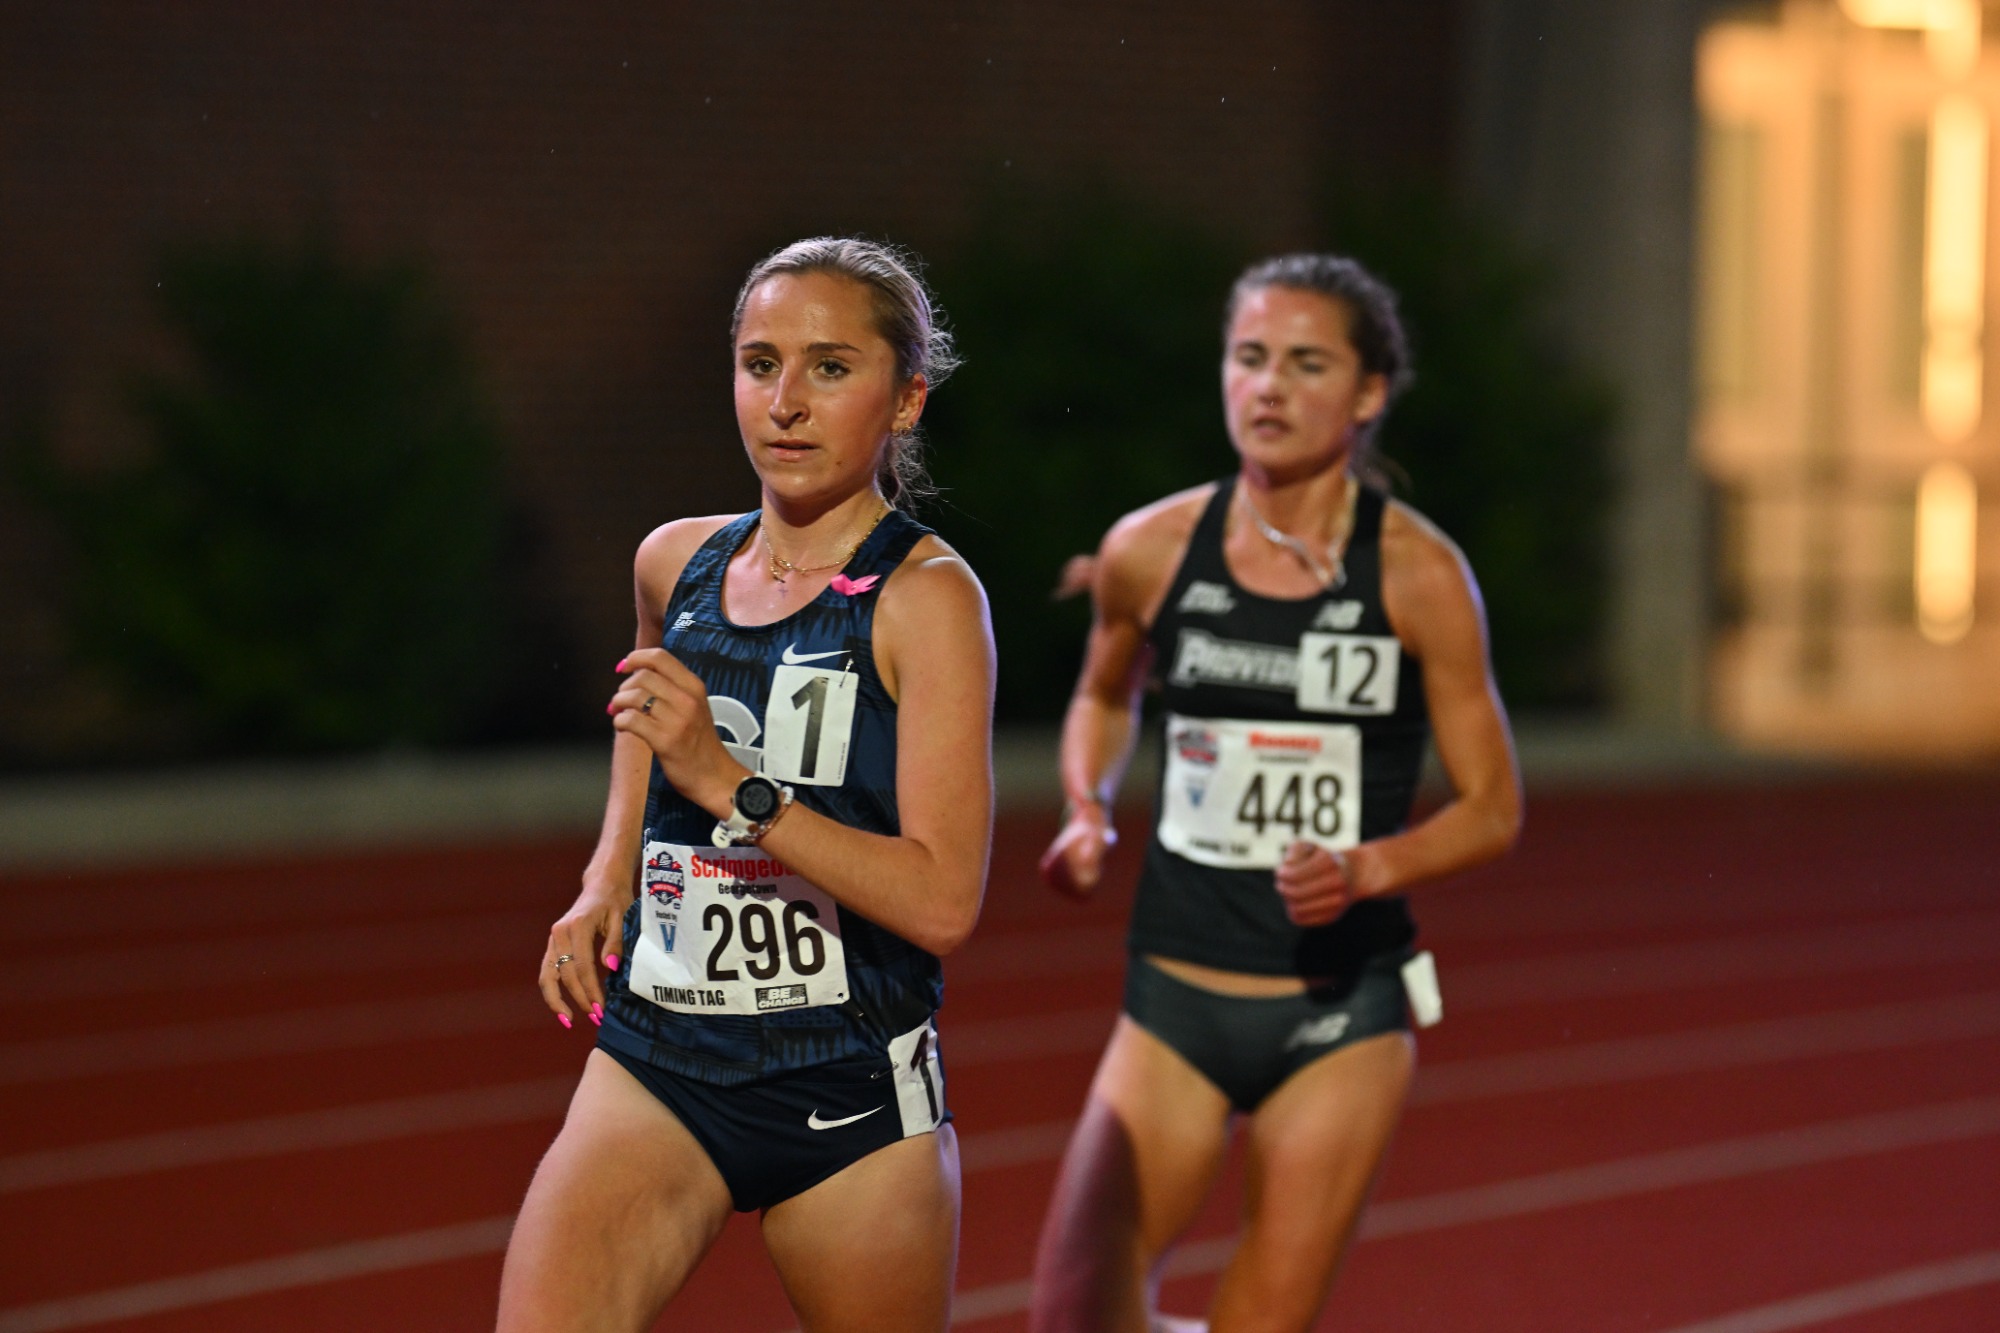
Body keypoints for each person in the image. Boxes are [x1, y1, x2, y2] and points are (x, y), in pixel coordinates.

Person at [497, 237, 995, 1333]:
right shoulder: (672, 564)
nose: (785, 403)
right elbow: (648, 717)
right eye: (759, 363)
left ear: (904, 398)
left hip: (851, 1087)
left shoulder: (927, 601)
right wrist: (604, 874)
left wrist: (736, 788)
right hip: (660, 1059)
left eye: (829, 367)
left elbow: (941, 901)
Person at [1031, 254, 1522, 1333]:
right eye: (1249, 358)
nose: (1267, 386)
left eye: (1305, 364)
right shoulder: (1149, 549)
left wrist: (1367, 867)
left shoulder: (1418, 574)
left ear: (1365, 394)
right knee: (1073, 1314)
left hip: (1337, 1012)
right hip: (1173, 996)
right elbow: (1103, 698)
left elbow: (1492, 804)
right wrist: (1087, 804)